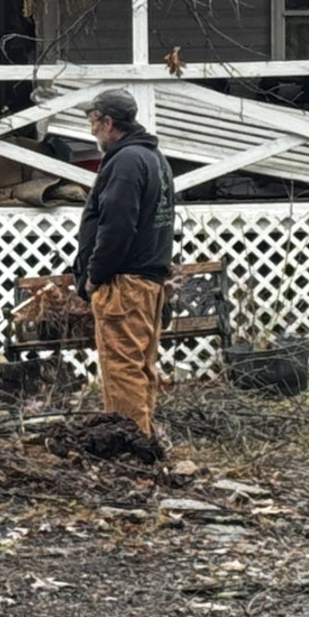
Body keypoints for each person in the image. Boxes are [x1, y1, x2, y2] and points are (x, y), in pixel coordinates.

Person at [74, 89, 175, 442]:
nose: (91, 131)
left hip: (124, 283)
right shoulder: (153, 157)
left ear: (108, 122)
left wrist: (93, 277)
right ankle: (145, 440)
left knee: (121, 369)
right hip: (148, 279)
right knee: (140, 366)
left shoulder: (126, 161)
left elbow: (116, 226)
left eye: (92, 122)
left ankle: (129, 447)